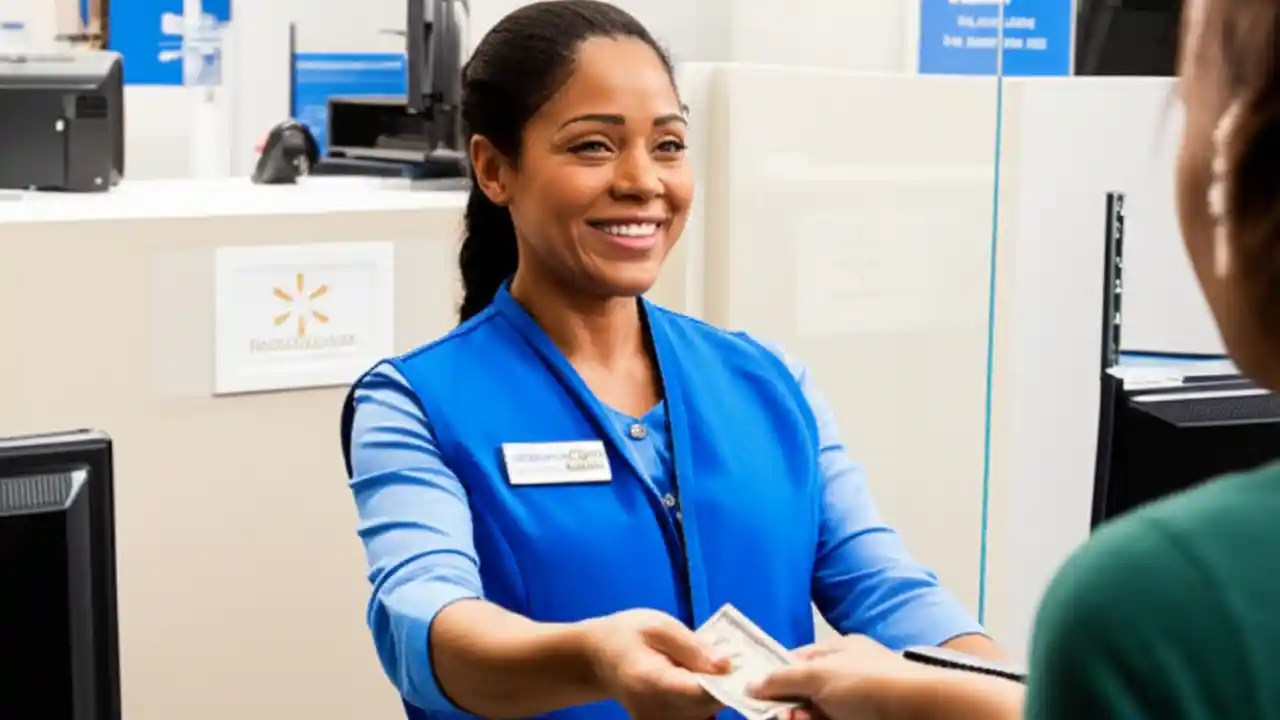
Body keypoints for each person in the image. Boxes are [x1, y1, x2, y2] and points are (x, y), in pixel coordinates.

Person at [339, 1, 999, 719]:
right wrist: (592, 658)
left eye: (669, 144)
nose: (642, 181)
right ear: (495, 170)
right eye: (593, 146)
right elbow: (424, 627)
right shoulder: (416, 402)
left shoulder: (769, 383)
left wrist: (1009, 686)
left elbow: (890, 592)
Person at [749, 0, 1280, 718]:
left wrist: (966, 688)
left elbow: (880, 582)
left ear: (1236, 161)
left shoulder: (1162, 602)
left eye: (1182, 105)